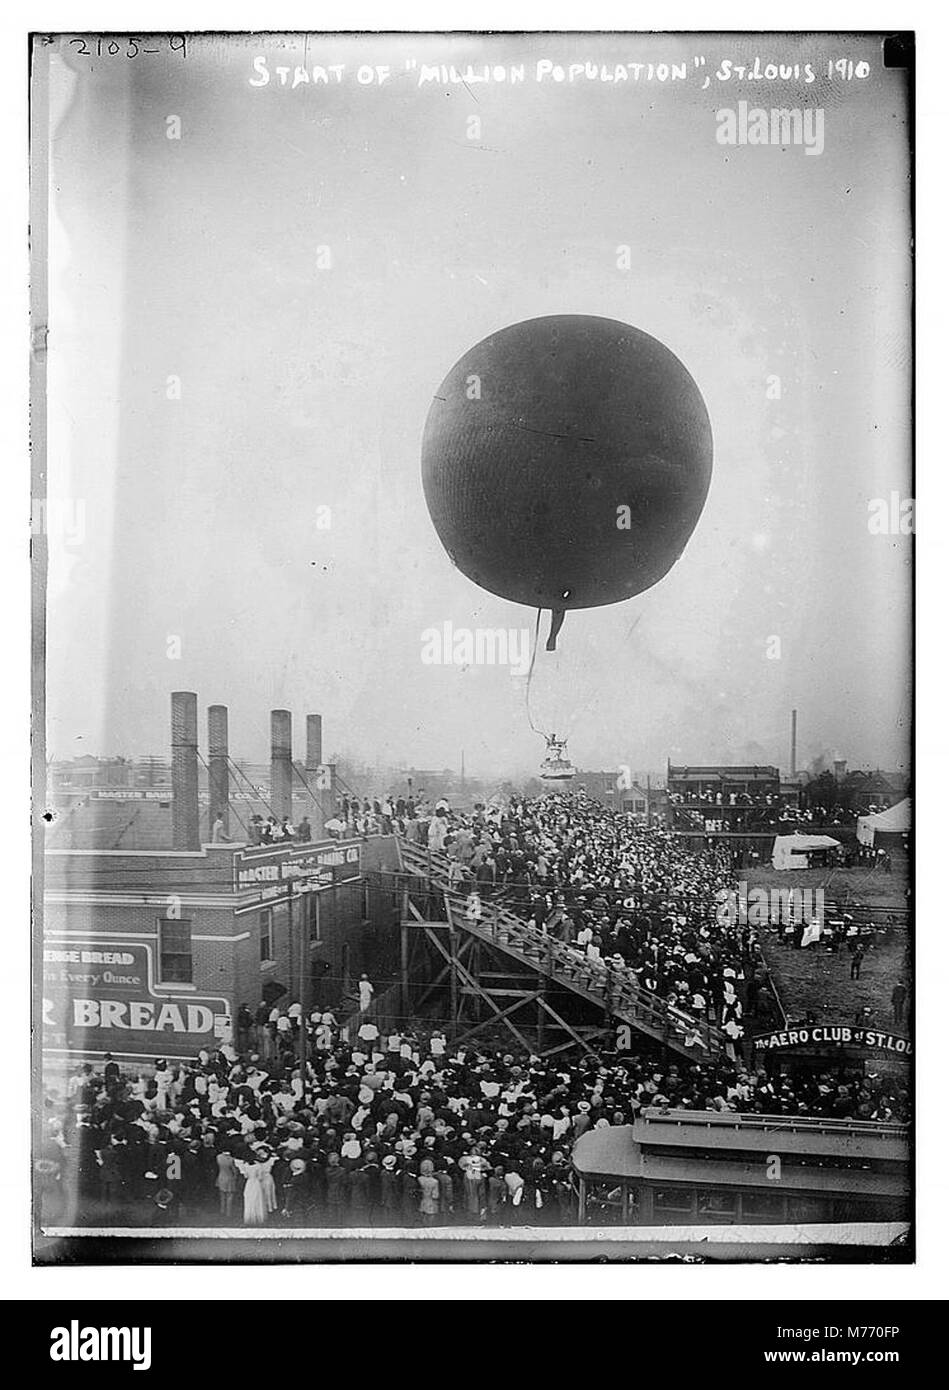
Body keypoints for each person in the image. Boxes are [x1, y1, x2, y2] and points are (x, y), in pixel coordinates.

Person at [234, 1147, 278, 1227]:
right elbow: (260, 1177)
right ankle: (259, 1217)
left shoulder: (245, 1165)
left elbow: (246, 1176)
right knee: (258, 1200)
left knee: (249, 1200)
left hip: (249, 1183)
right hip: (256, 1183)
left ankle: (249, 1217)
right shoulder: (258, 1166)